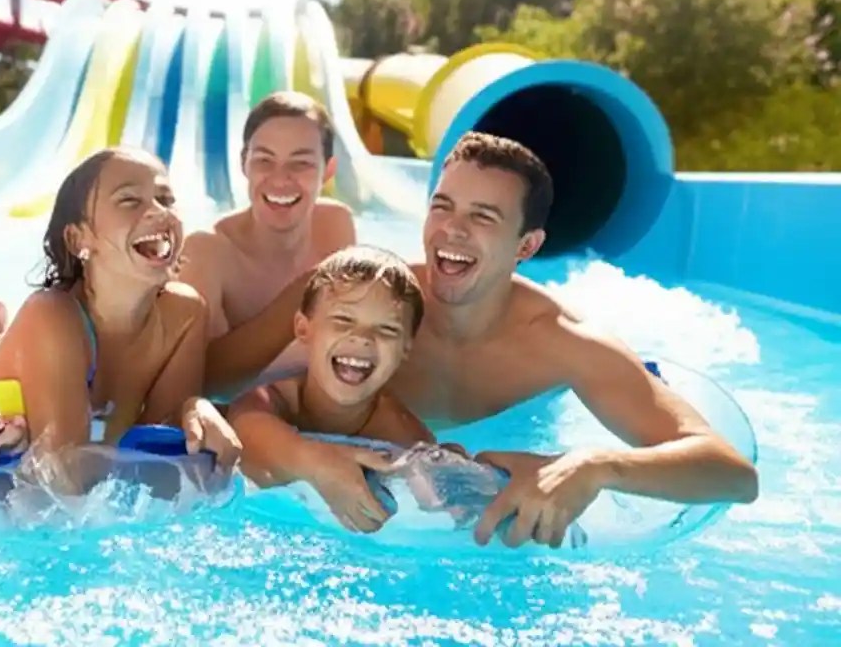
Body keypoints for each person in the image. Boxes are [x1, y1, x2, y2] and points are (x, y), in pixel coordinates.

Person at [211, 130, 760, 549]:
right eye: (442, 207)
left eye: (483, 217)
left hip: (507, 441)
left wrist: (593, 466)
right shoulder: (362, 304)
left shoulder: (562, 342)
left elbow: (732, 472)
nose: (451, 230)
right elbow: (215, 379)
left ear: (527, 245)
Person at [0, 145, 242, 486]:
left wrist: (194, 409)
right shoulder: (51, 316)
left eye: (166, 199)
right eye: (130, 200)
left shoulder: (184, 316)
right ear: (78, 238)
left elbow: (163, 466)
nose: (159, 212)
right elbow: (66, 483)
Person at [230, 245, 454, 533]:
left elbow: (436, 503)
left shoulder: (401, 434)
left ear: (406, 349)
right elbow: (243, 426)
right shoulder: (275, 399)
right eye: (343, 320)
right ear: (303, 329)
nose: (362, 339)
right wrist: (316, 464)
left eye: (386, 330)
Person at [177, 91, 357, 401]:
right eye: (264, 160)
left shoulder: (335, 225)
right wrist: (305, 292)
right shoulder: (207, 253)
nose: (280, 180)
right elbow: (202, 382)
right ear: (243, 164)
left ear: (328, 170)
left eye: (300, 164)